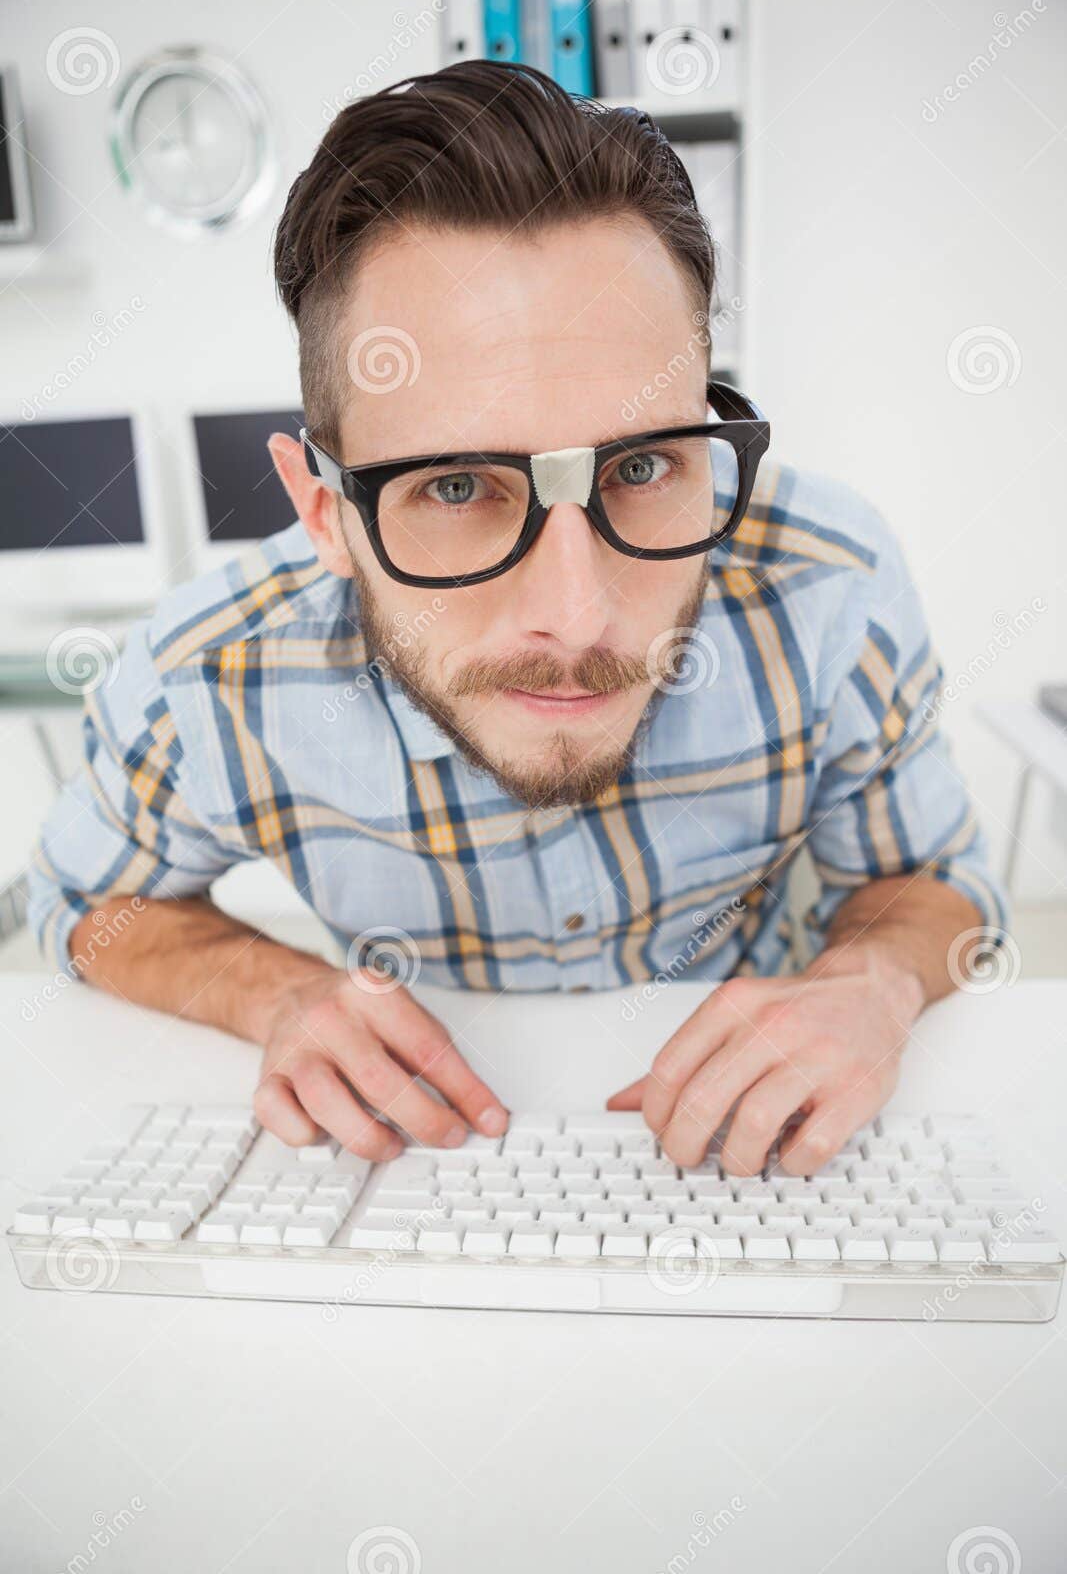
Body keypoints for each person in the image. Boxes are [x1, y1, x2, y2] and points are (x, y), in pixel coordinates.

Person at [28, 62, 1005, 1178]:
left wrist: (867, 983)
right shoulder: (209, 678)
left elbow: (941, 887)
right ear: (324, 513)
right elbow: (78, 901)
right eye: (453, 486)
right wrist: (273, 988)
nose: (576, 615)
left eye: (640, 464)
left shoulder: (829, 585)